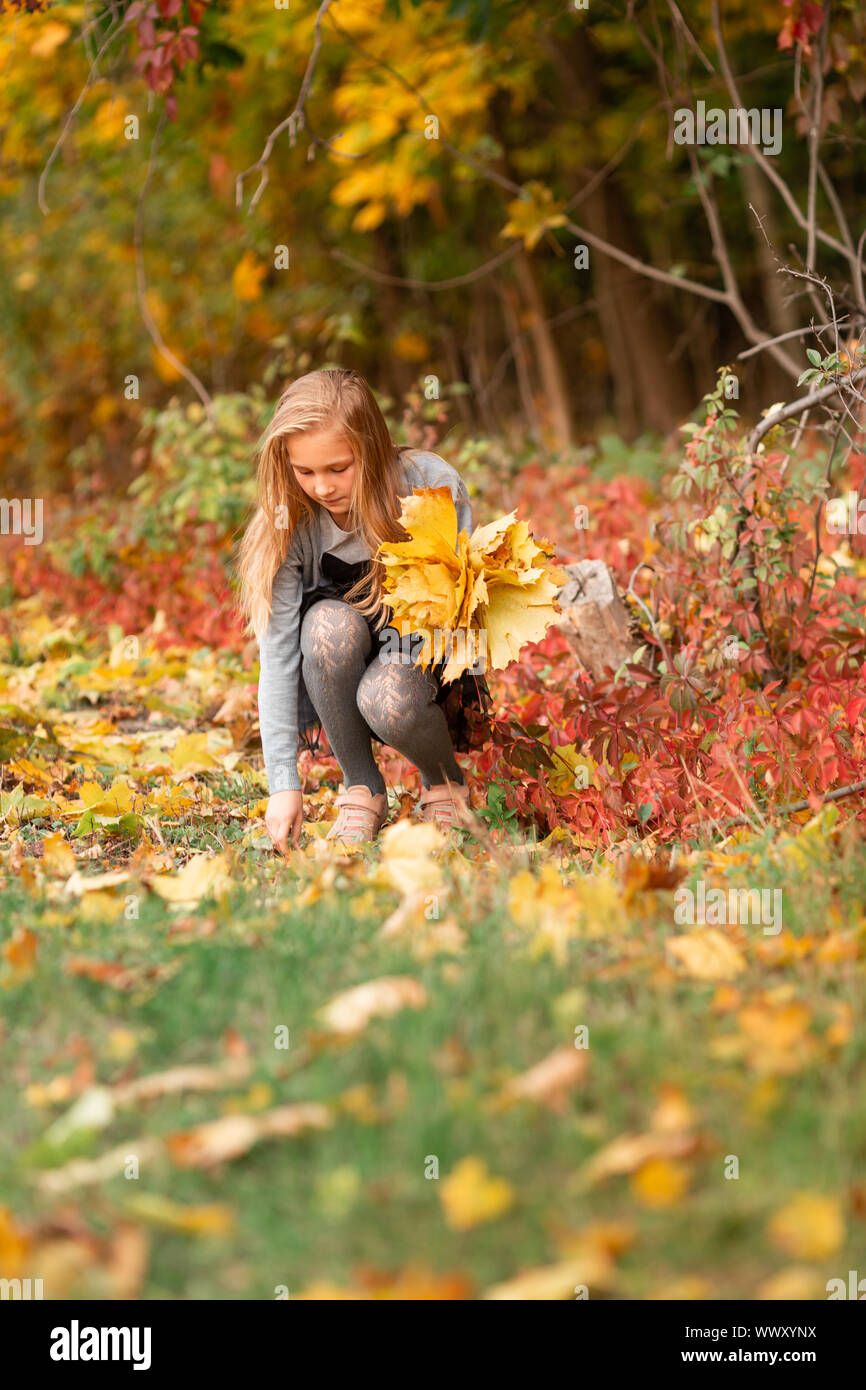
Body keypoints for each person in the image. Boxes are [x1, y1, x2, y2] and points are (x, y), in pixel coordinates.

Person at [237, 367, 493, 852]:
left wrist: (399, 675)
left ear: (372, 447)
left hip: (421, 643)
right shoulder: (289, 521)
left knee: (386, 699)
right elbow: (277, 657)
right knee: (326, 626)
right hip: (334, 657)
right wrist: (283, 785)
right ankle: (362, 788)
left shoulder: (429, 484)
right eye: (304, 471)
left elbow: (456, 607)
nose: (322, 487)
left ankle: (444, 782)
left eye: (339, 468)